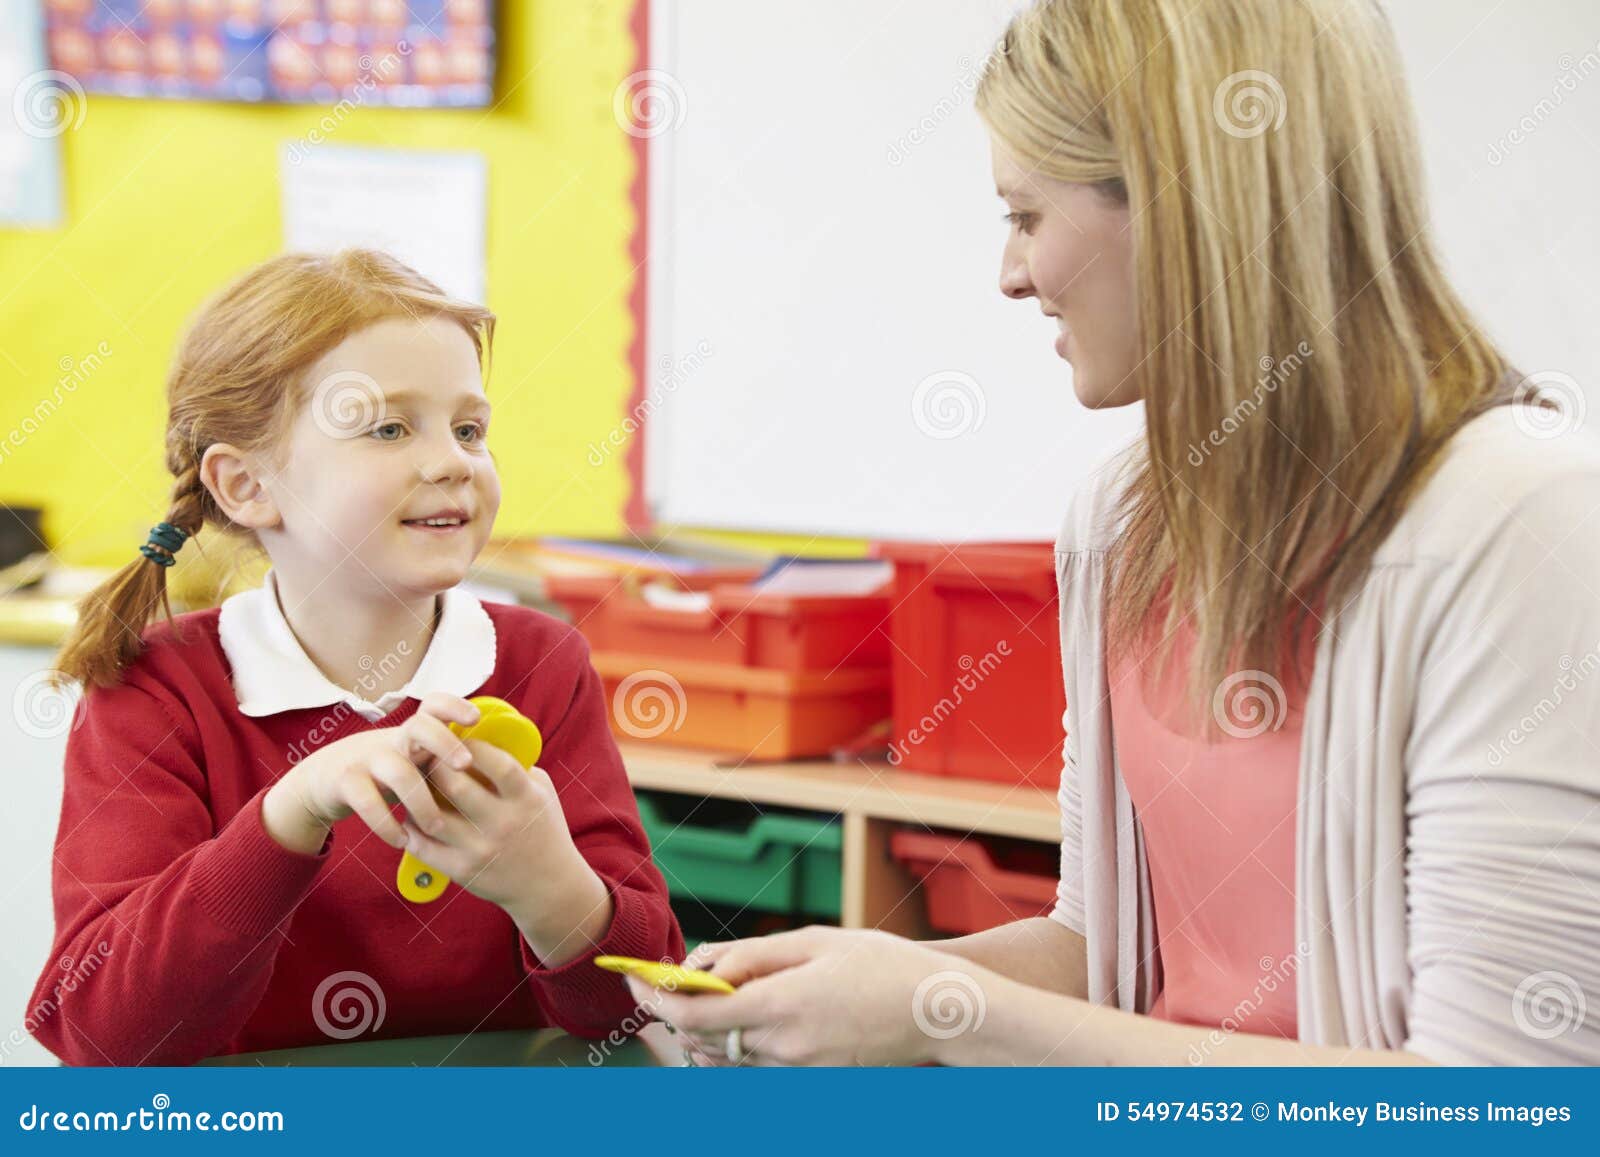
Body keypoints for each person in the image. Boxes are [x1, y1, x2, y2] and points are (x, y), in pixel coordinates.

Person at [637, 0, 1600, 1066]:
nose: (1010, 273)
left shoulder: (1516, 521)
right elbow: (1101, 951)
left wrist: (943, 1004)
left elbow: (1512, 1106)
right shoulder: (1124, 518)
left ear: (1181, 204)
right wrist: (847, 983)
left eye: (1025, 214)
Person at [28, 249, 682, 1065]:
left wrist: (551, 889)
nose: (453, 461)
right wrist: (292, 808)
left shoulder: (542, 661)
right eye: (388, 428)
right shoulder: (154, 691)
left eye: (469, 428)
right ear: (245, 486)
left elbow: (638, 1007)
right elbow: (103, 1034)